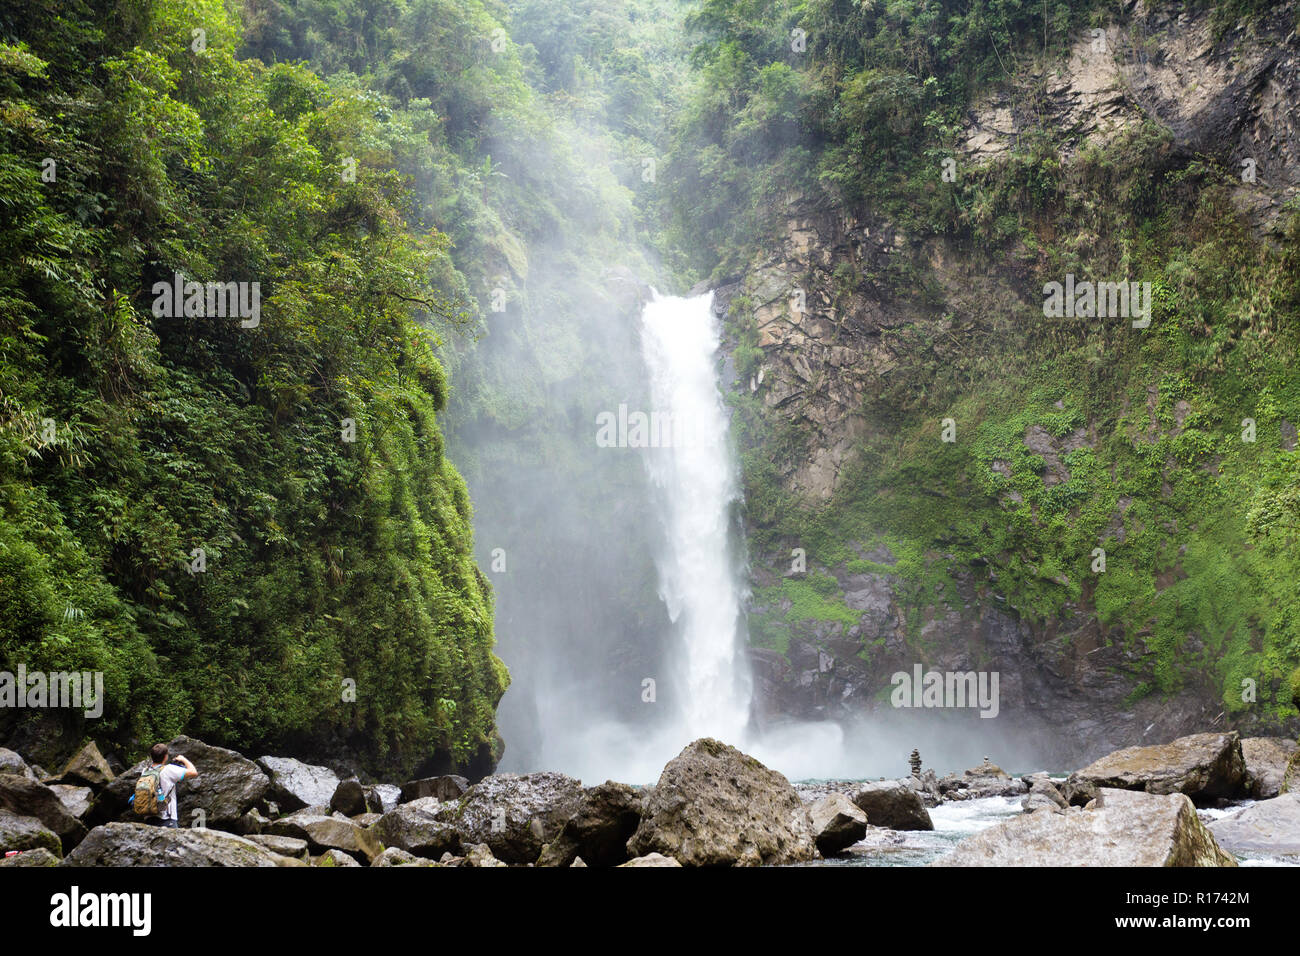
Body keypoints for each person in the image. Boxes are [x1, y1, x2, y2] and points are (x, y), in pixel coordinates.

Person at [140, 743, 198, 828]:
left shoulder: (145, 771)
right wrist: (183, 759)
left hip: (149, 817)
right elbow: (194, 772)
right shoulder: (169, 769)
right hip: (167, 819)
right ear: (166, 757)